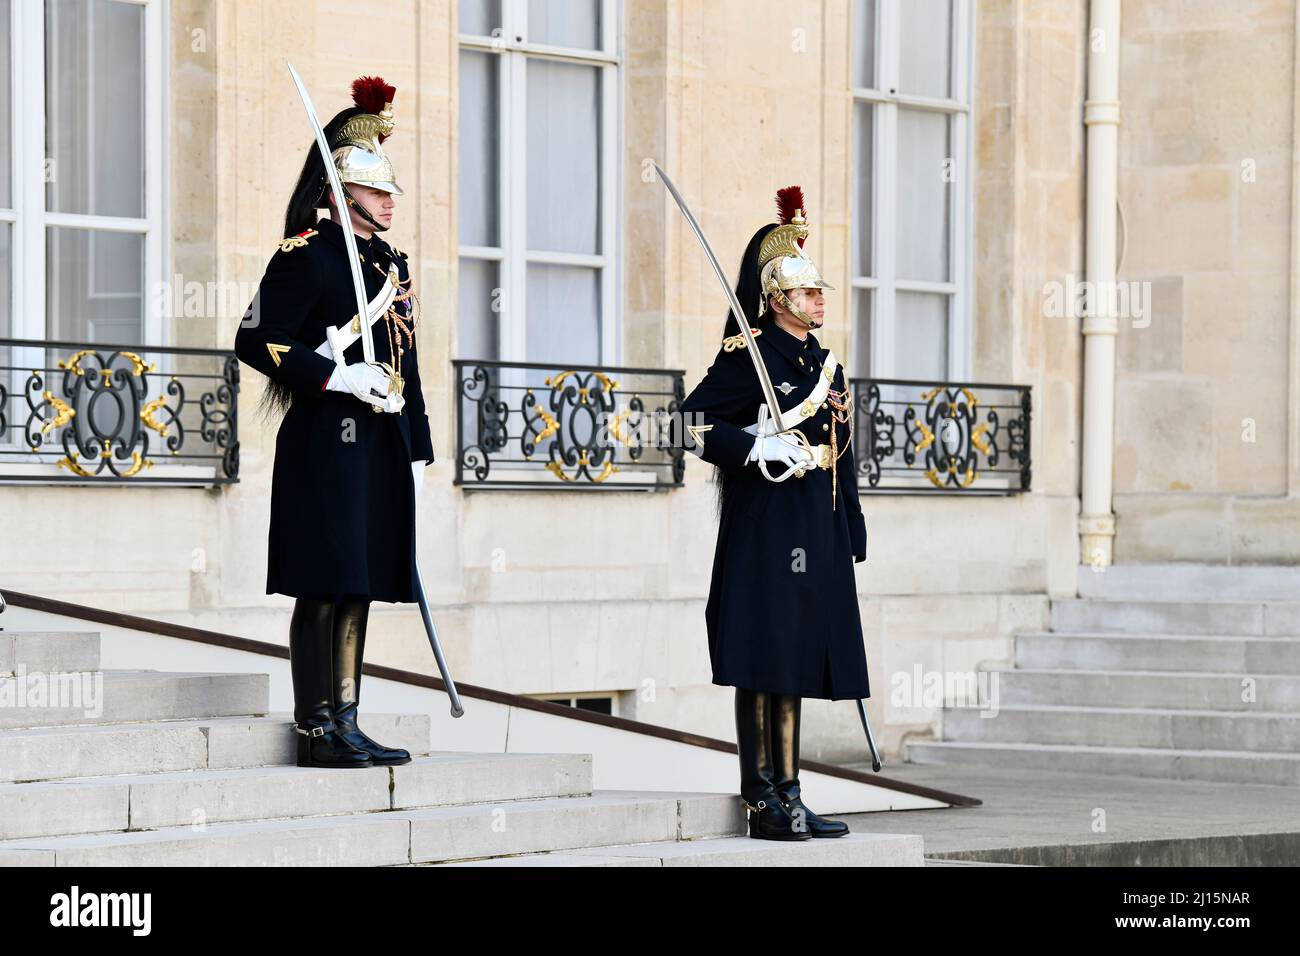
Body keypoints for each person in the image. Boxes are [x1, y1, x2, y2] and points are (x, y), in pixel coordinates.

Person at [234, 76, 433, 769]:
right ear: (340, 190)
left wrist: (417, 442)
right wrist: (332, 373)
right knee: (325, 580)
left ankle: (347, 719)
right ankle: (315, 727)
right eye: (376, 189)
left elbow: (407, 351)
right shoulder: (304, 254)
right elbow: (255, 339)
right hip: (326, 439)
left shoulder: (389, 263)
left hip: (379, 437)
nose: (387, 200)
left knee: (361, 580)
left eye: (388, 190)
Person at [679, 186, 870, 840]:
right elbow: (691, 426)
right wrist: (756, 446)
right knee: (764, 658)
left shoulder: (825, 364)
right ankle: (763, 799)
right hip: (764, 530)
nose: (820, 299)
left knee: (794, 658)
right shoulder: (749, 356)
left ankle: (790, 789)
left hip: (814, 526)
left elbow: (840, 452)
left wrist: (851, 527)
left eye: (821, 292)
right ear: (779, 298)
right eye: (809, 291)